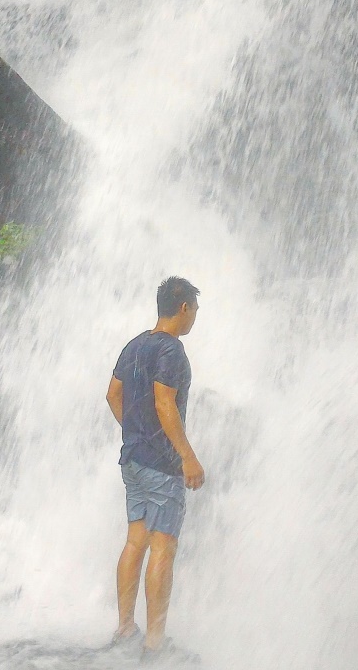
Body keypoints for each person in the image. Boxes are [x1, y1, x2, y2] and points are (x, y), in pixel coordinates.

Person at [105, 276, 204, 661]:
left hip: (133, 460)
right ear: (183, 308)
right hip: (162, 466)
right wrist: (186, 456)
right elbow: (165, 403)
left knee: (135, 542)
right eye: (194, 310)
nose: (195, 318)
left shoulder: (135, 345)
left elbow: (112, 394)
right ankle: (155, 648)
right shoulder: (172, 351)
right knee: (163, 546)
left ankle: (125, 628)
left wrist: (136, 431)